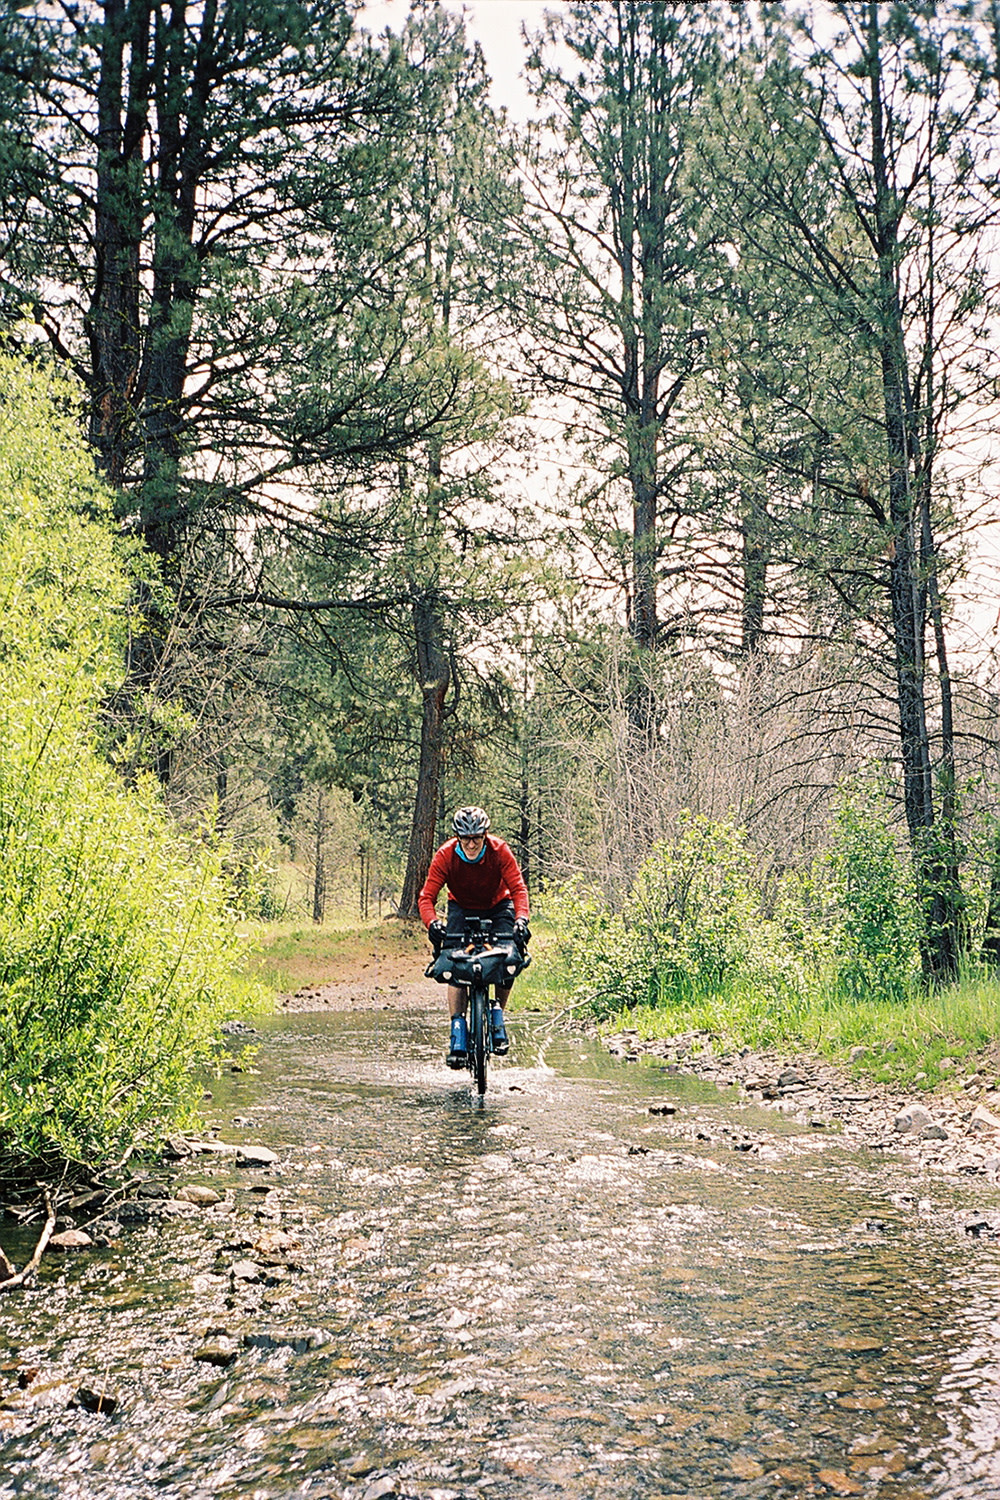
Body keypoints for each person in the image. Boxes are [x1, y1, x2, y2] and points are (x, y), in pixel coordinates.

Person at [418, 806, 530, 1068]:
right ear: (457, 837)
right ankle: (458, 1028)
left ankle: (497, 1013)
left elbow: (518, 889)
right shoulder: (445, 855)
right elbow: (426, 897)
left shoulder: (499, 850)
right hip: (461, 906)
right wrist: (432, 923)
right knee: (455, 962)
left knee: (508, 957)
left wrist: (521, 919)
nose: (471, 844)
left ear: (485, 835)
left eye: (476, 838)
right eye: (465, 838)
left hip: (498, 905)